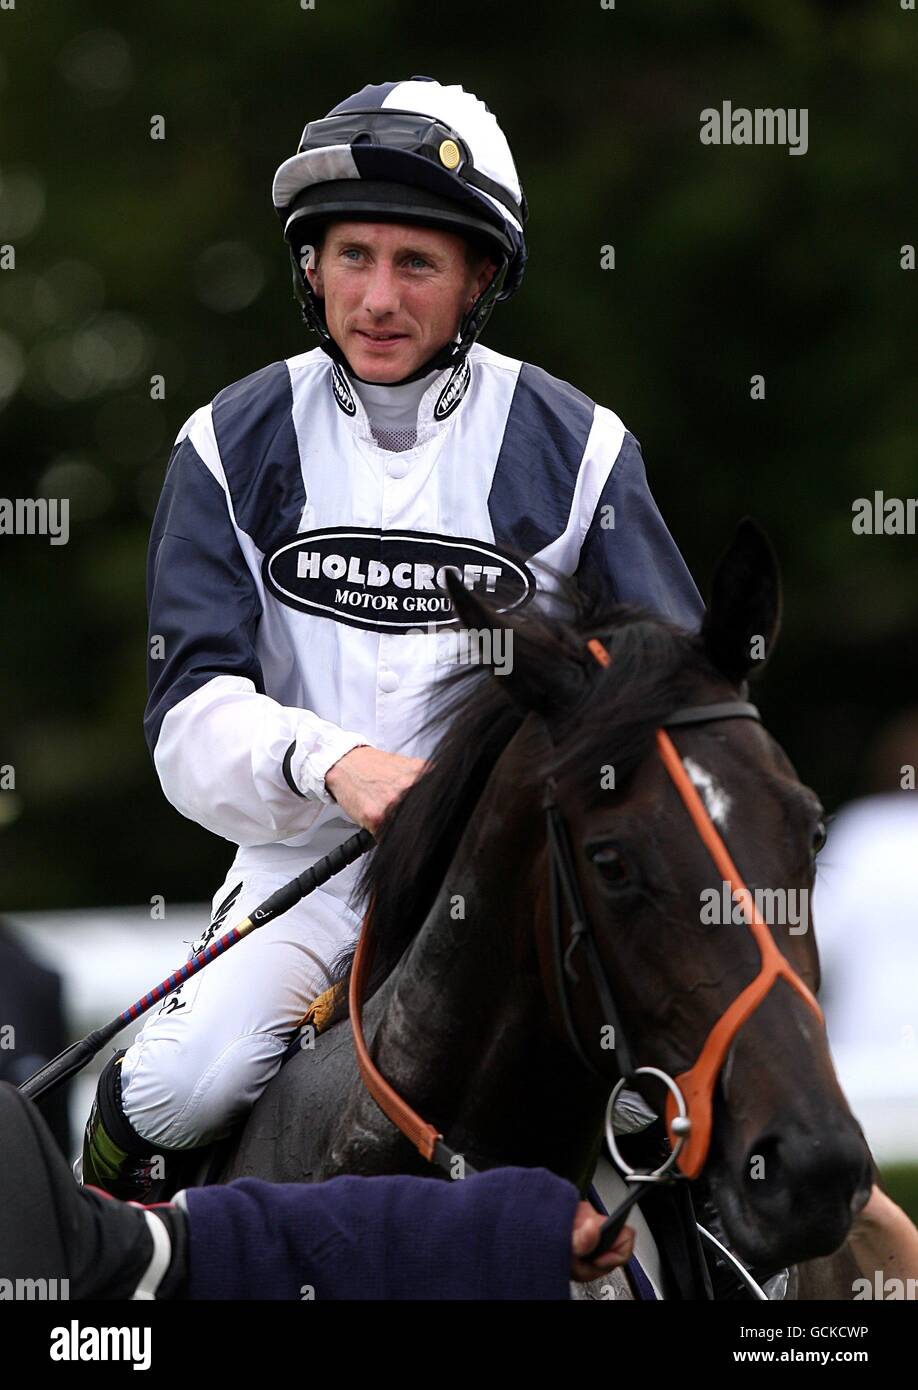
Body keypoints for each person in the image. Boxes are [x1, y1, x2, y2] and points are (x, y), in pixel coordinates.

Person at [81, 77, 704, 1201]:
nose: (377, 296)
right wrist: (339, 764)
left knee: (709, 1076)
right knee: (179, 1085)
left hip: (535, 880)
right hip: (311, 868)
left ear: (480, 279)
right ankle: (103, 1282)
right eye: (351, 254)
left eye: (416, 263)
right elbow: (186, 719)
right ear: (307, 267)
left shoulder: (586, 448)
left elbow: (669, 700)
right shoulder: (225, 441)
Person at [2, 1085, 633, 1299]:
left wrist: (507, 1228)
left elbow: (252, 1244)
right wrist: (322, 769)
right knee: (190, 1078)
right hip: (288, 868)